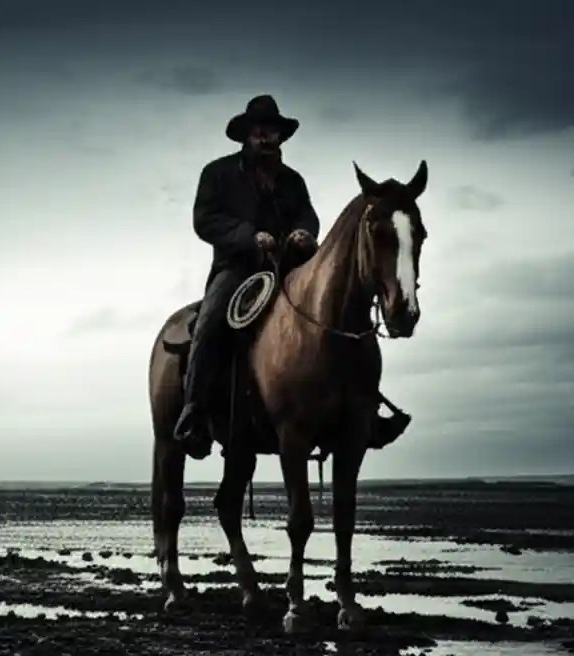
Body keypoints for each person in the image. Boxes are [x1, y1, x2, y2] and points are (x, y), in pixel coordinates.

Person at [173, 94, 410, 459]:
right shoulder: (217, 173)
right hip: (238, 268)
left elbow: (308, 216)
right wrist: (249, 236)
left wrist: (303, 233)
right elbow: (205, 220)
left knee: (336, 314)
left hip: (290, 268)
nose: (265, 136)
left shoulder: (292, 181)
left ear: (280, 136)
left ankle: (362, 408)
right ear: (246, 134)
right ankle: (195, 410)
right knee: (210, 319)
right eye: (258, 130)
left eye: (271, 130)